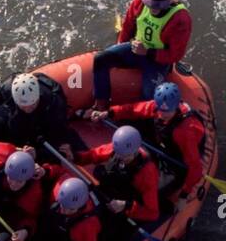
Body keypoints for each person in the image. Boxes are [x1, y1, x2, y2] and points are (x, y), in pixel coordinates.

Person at [86, 81, 205, 211]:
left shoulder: (185, 132)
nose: (163, 114)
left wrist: (183, 196)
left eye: (167, 111)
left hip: (176, 162)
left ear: (176, 106)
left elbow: (195, 168)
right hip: (163, 145)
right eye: (161, 110)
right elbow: (133, 109)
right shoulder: (157, 107)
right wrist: (109, 113)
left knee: (149, 192)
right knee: (135, 121)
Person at [93, 0, 192, 109]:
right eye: (149, 4)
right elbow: (127, 26)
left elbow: (175, 55)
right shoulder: (139, 2)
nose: (152, 9)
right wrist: (120, 46)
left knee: (149, 96)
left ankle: (143, 120)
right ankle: (101, 104)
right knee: (100, 59)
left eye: (157, 6)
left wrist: (148, 52)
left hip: (158, 61)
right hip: (135, 50)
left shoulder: (180, 19)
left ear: (167, 2)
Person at [0, 72, 80, 157]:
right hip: (14, 123)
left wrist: (37, 153)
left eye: (32, 105)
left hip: (38, 132)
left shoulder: (54, 105)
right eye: (24, 106)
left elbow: (58, 135)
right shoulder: (9, 87)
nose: (29, 108)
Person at [74, 125, 159, 241]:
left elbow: (152, 213)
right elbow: (93, 155)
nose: (120, 158)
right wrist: (76, 157)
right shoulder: (117, 149)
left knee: (109, 240)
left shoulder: (147, 173)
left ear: (135, 151)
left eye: (125, 156)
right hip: (109, 194)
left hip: (127, 207)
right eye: (119, 154)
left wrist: (125, 206)